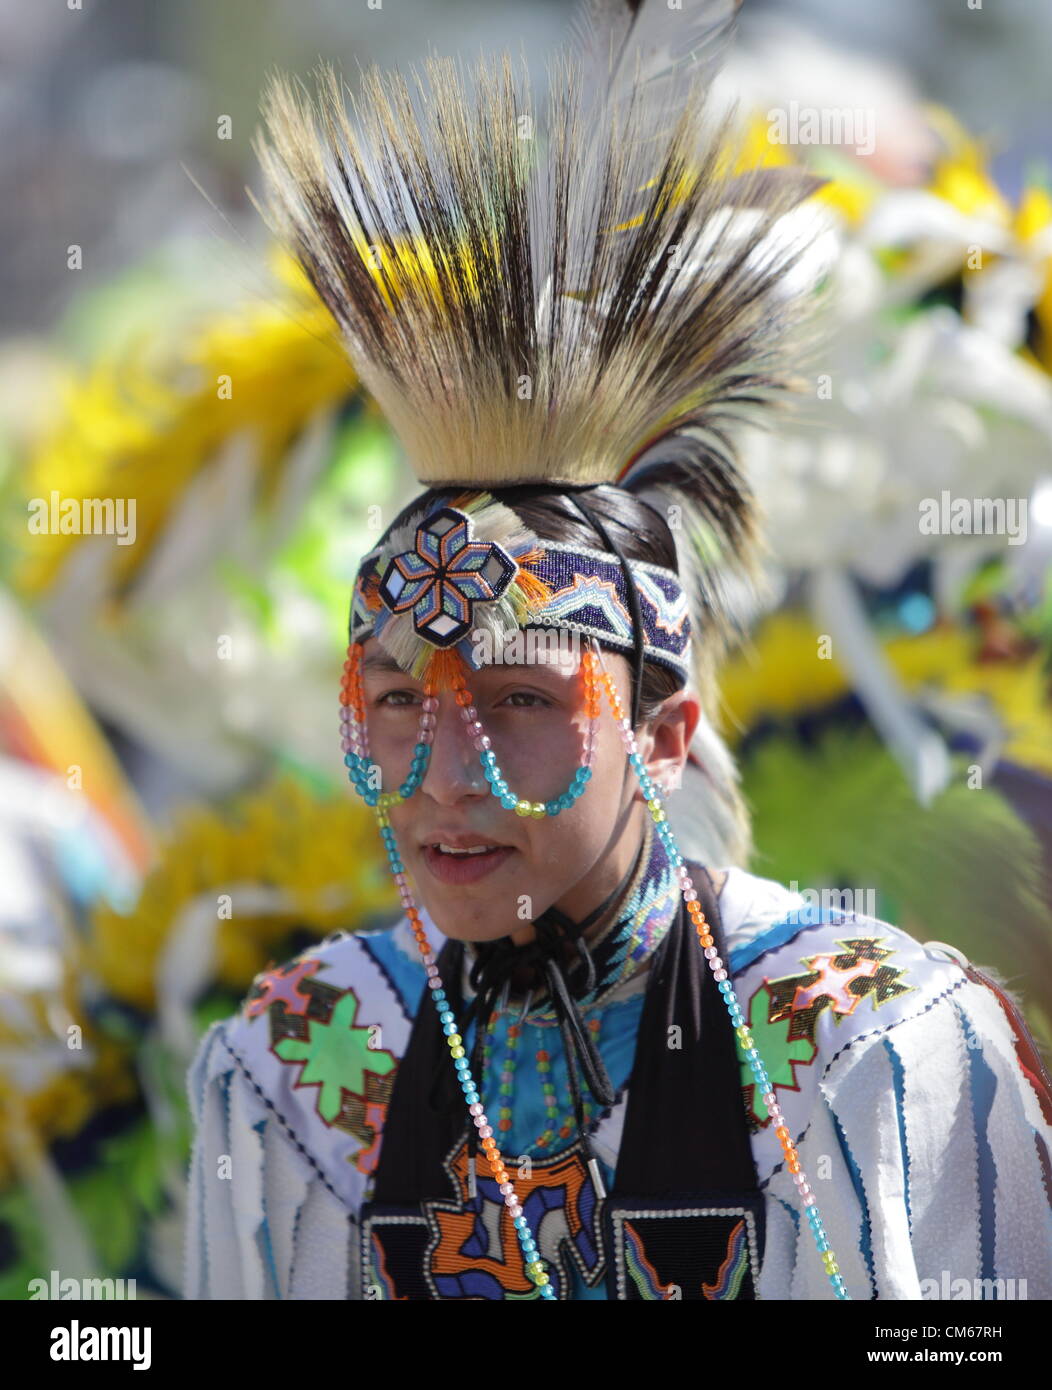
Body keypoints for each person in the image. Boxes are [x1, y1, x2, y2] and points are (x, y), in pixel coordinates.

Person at [183, 0, 1052, 1300]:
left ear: (666, 732)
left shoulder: (876, 1039)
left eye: (522, 699)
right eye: (394, 701)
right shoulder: (291, 1057)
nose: (446, 773)